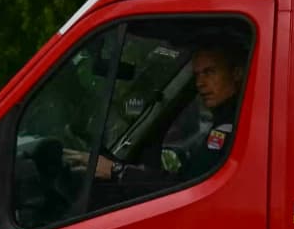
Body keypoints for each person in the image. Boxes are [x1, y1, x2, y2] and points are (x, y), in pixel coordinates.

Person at [91, 38, 244, 186]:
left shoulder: (235, 126)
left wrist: (118, 171)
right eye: (197, 75)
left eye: (209, 72)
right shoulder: (229, 119)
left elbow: (187, 187)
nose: (199, 83)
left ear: (236, 73)